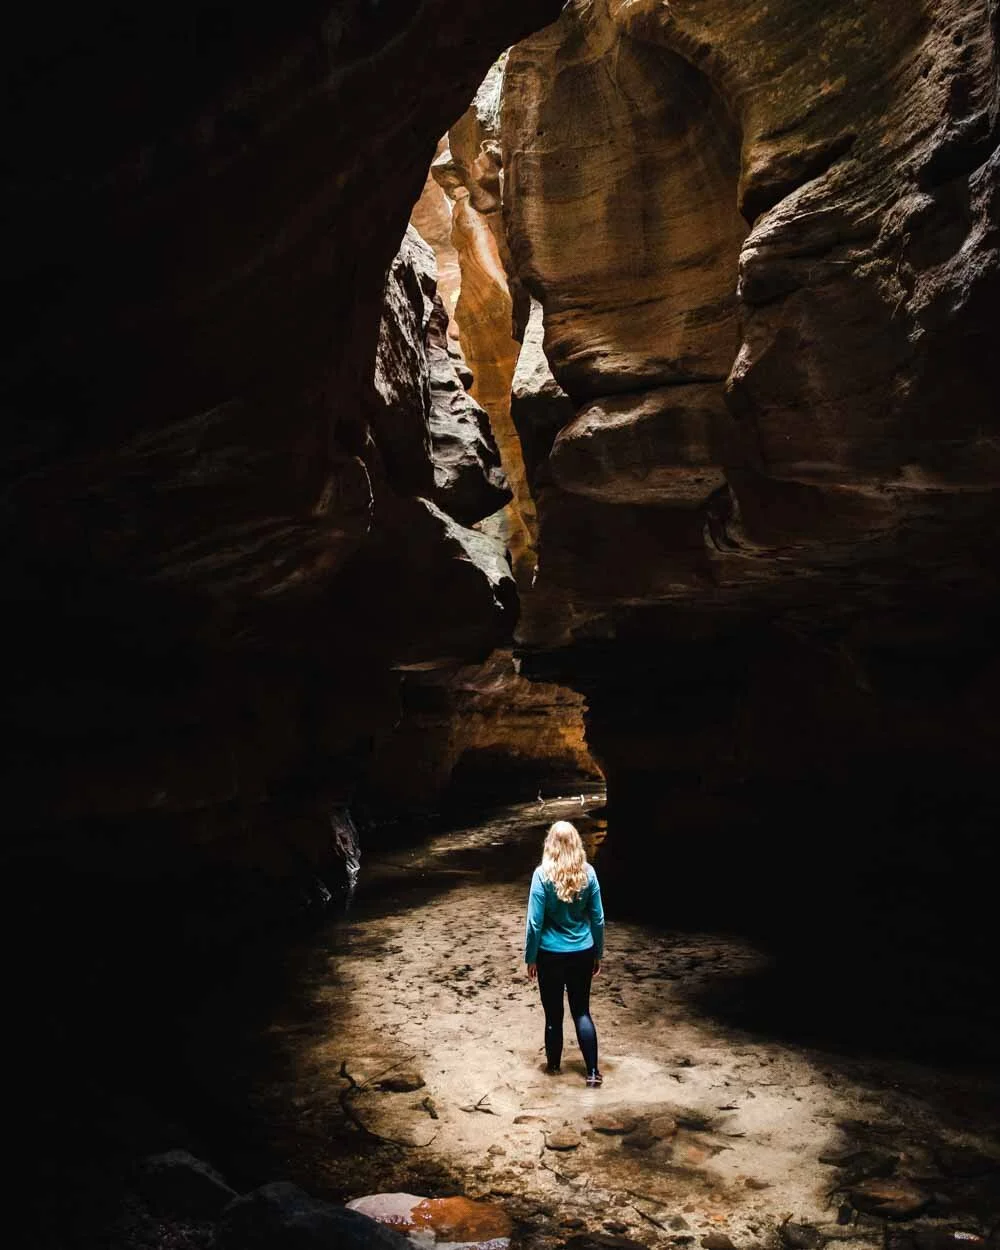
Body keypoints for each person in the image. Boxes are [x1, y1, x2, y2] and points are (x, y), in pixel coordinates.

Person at [524, 820, 605, 1087]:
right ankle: (592, 1073)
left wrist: (531, 957)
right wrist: (598, 953)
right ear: (576, 843)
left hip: (549, 954)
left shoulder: (541, 875)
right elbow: (598, 919)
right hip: (582, 951)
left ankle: (554, 1071)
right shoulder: (589, 873)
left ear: (551, 844)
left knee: (553, 1015)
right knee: (582, 1012)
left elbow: (535, 924)